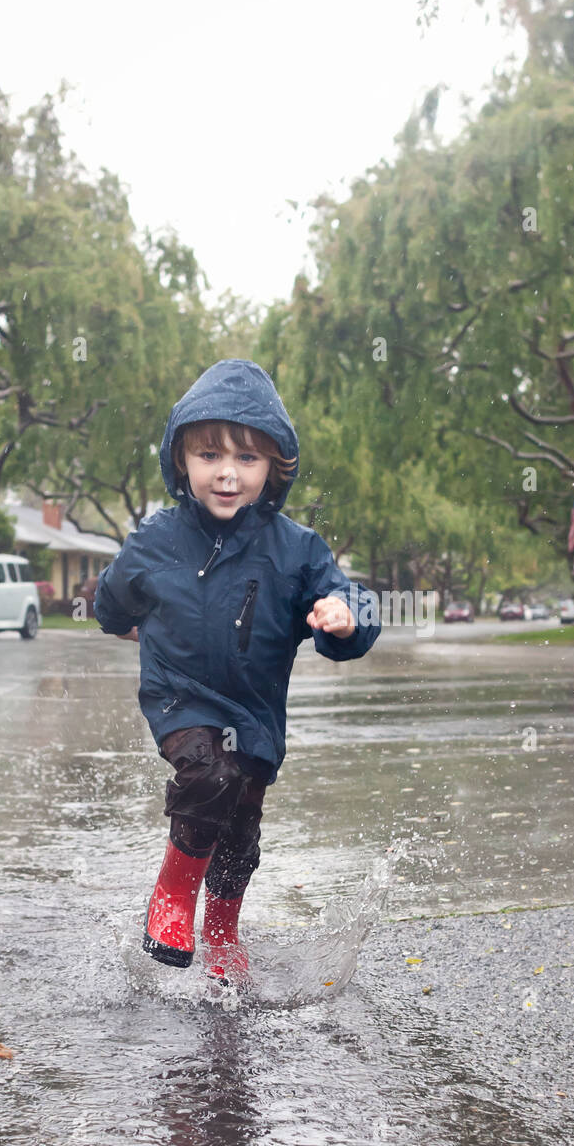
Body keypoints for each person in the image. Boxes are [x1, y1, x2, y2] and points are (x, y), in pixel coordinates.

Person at [93, 359, 382, 986]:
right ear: (182, 462)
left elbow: (350, 599)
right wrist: (121, 619)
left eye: (247, 459)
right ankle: (171, 895)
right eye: (208, 455)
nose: (226, 473)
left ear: (274, 468)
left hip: (254, 714)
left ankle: (222, 930)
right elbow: (112, 597)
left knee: (241, 830)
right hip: (181, 701)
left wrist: (345, 616)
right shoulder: (157, 540)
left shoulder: (295, 549)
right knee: (210, 774)